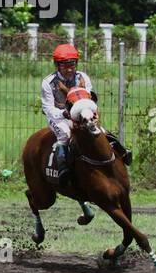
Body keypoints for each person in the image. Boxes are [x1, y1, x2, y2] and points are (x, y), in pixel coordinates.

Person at [41, 43, 130, 183]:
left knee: (99, 130)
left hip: (81, 114)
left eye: (72, 64)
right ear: (57, 65)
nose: (69, 69)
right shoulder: (48, 82)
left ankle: (122, 152)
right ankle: (63, 168)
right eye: (64, 65)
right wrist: (64, 113)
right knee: (65, 133)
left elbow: (88, 99)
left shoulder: (83, 77)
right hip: (59, 118)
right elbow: (47, 109)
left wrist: (91, 113)